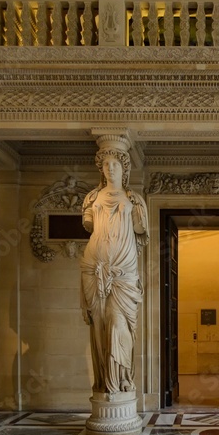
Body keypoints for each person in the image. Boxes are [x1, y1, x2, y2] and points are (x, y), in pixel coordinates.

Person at [80, 142, 148, 396]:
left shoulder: (133, 200)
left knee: (119, 326)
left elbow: (140, 231)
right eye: (106, 164)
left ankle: (121, 380)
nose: (110, 169)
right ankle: (103, 384)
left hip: (124, 273)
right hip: (94, 269)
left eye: (115, 164)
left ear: (124, 168)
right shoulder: (92, 198)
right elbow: (89, 226)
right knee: (99, 327)